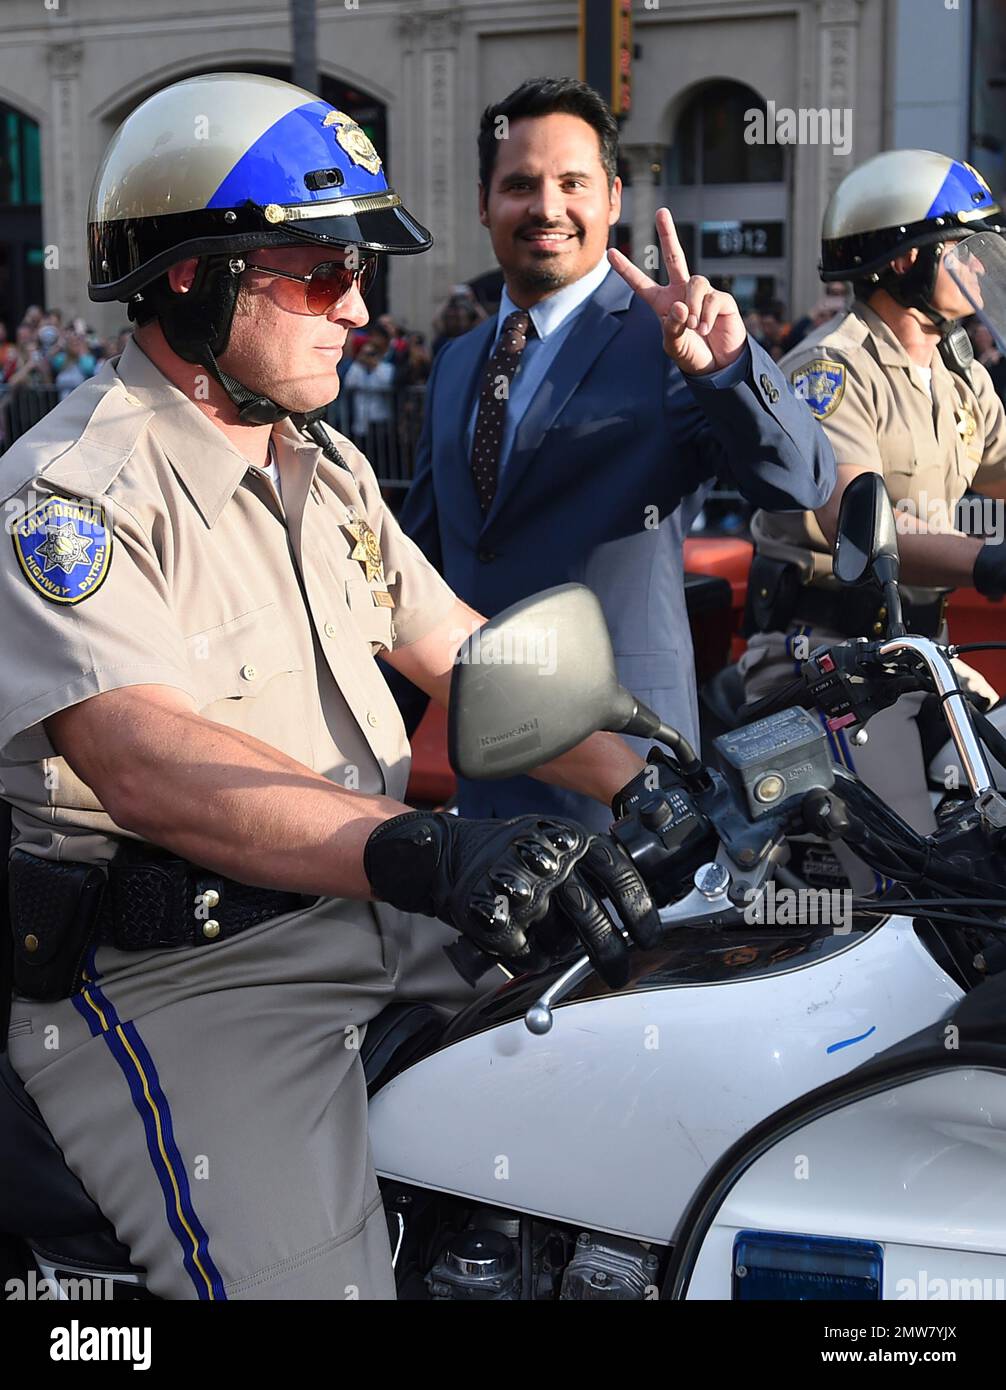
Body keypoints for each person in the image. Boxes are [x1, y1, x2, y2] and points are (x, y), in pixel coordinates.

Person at [0, 71, 663, 1301]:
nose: (358, 308)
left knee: (658, 1059)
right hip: (192, 977)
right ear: (193, 277)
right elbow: (150, 763)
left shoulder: (328, 466)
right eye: (320, 271)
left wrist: (664, 783)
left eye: (364, 271)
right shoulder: (73, 499)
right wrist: (432, 851)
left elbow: (459, 646)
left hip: (373, 914)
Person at [391, 76, 836, 830]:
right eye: (520, 184)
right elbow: (417, 572)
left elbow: (798, 481)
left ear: (614, 198)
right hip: (488, 784)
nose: (546, 207)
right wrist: (372, 755)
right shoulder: (461, 360)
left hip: (630, 783)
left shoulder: (671, 344)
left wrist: (726, 369)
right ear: (483, 202)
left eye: (573, 182)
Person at [741, 149, 1006, 841]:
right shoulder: (830, 369)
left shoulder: (960, 373)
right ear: (902, 259)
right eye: (963, 249)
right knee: (907, 860)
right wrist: (988, 559)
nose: (980, 265)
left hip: (922, 651)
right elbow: (854, 521)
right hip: (823, 659)